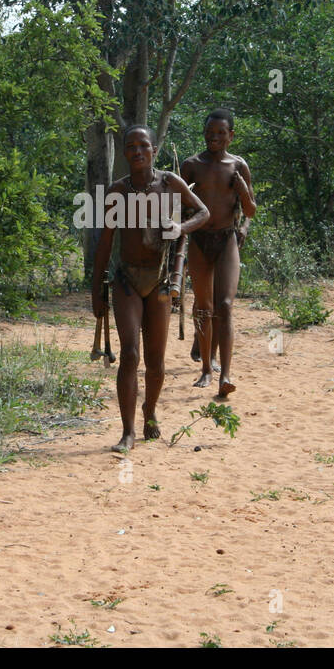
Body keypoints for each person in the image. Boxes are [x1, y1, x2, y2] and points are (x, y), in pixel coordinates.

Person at [92, 125, 210, 452]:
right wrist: (95, 290)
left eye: (143, 146)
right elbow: (105, 243)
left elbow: (203, 212)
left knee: (156, 362)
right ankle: (128, 431)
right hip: (127, 280)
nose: (137, 152)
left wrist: (179, 227)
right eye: (131, 147)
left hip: (160, 279)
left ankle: (150, 412)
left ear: (154, 151)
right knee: (130, 354)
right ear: (126, 152)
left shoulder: (169, 183)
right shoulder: (117, 190)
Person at [181, 108, 256, 397]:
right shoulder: (191, 165)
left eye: (221, 133)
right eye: (210, 132)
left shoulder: (238, 166)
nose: (214, 138)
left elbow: (250, 210)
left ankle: (226, 373)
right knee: (203, 306)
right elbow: (177, 200)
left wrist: (242, 191)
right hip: (200, 240)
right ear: (204, 133)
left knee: (224, 305)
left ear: (231, 136)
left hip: (226, 240)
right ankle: (206, 370)